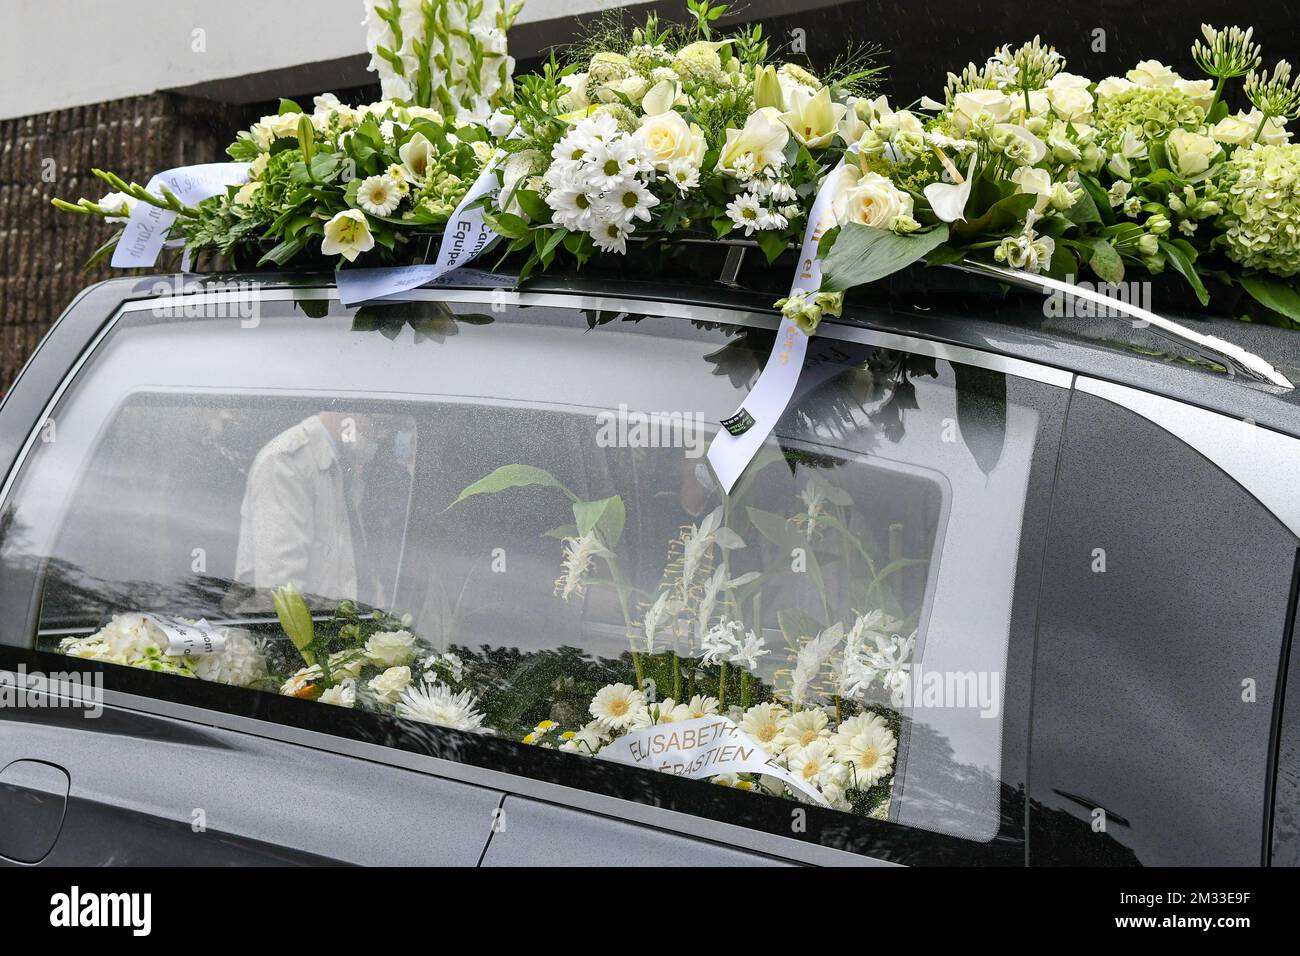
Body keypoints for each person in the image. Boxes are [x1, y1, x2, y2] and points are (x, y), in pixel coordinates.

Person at [232, 411, 385, 610]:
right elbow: (281, 593)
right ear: (341, 412)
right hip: (301, 636)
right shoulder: (288, 461)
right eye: (376, 421)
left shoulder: (339, 466)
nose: (381, 435)